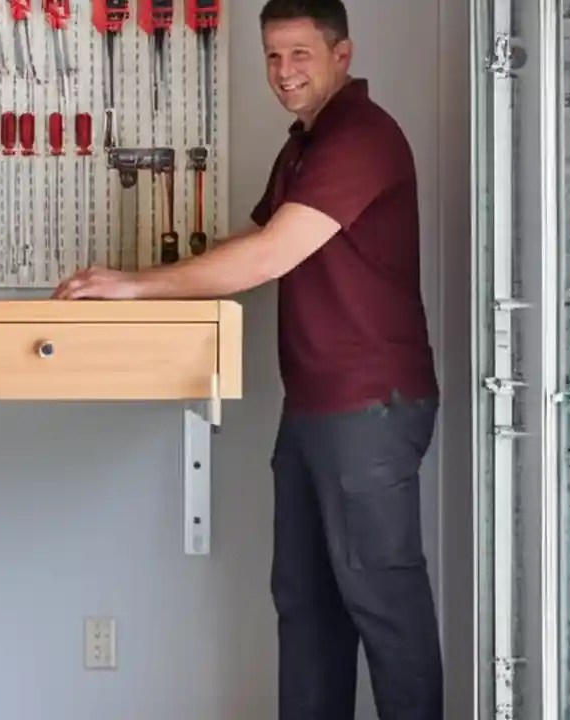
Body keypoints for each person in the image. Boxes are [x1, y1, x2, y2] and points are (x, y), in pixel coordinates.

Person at [53, 0, 442, 717]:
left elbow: (267, 257)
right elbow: (255, 235)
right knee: (306, 603)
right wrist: (144, 290)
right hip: (316, 408)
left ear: (342, 55)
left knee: (383, 601)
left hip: (369, 407)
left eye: (300, 54)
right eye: (272, 56)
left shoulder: (360, 138)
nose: (283, 72)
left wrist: (135, 286)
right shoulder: (304, 144)